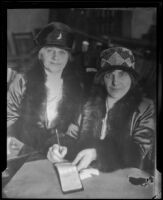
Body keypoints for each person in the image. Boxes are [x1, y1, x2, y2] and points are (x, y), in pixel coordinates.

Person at [48, 47, 156, 174]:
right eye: (109, 75)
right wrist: (58, 147)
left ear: (131, 77)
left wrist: (97, 153)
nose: (115, 82)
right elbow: (73, 138)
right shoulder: (89, 104)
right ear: (102, 79)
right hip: (87, 174)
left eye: (122, 74)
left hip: (125, 180)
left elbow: (138, 154)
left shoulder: (145, 107)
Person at [7, 22, 83, 156]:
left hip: (60, 151)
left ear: (68, 57)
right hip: (25, 150)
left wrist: (75, 126)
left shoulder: (75, 86)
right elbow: (9, 119)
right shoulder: (23, 81)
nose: (56, 57)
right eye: (50, 51)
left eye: (62, 52)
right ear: (40, 54)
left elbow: (79, 120)